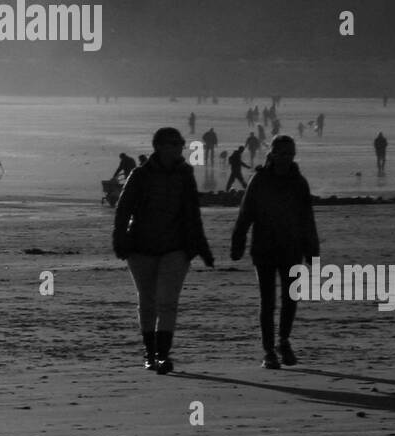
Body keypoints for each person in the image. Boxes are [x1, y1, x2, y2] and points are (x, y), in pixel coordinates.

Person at [112, 127, 214, 374]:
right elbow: (123, 209)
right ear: (159, 147)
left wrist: (200, 246)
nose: (177, 148)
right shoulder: (141, 174)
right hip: (141, 248)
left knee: (167, 302)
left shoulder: (185, 175)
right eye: (172, 144)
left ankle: (162, 355)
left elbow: (193, 214)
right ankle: (149, 353)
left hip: (176, 248)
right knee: (148, 302)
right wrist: (120, 240)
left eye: (179, 144)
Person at [230, 135, 319, 370]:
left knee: (291, 298)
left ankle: (284, 341)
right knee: (267, 301)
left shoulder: (299, 183)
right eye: (282, 153)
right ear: (272, 154)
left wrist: (312, 252)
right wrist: (237, 243)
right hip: (264, 249)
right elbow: (245, 214)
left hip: (292, 249)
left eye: (290, 154)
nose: (287, 158)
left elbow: (307, 220)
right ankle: (269, 351)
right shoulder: (259, 180)